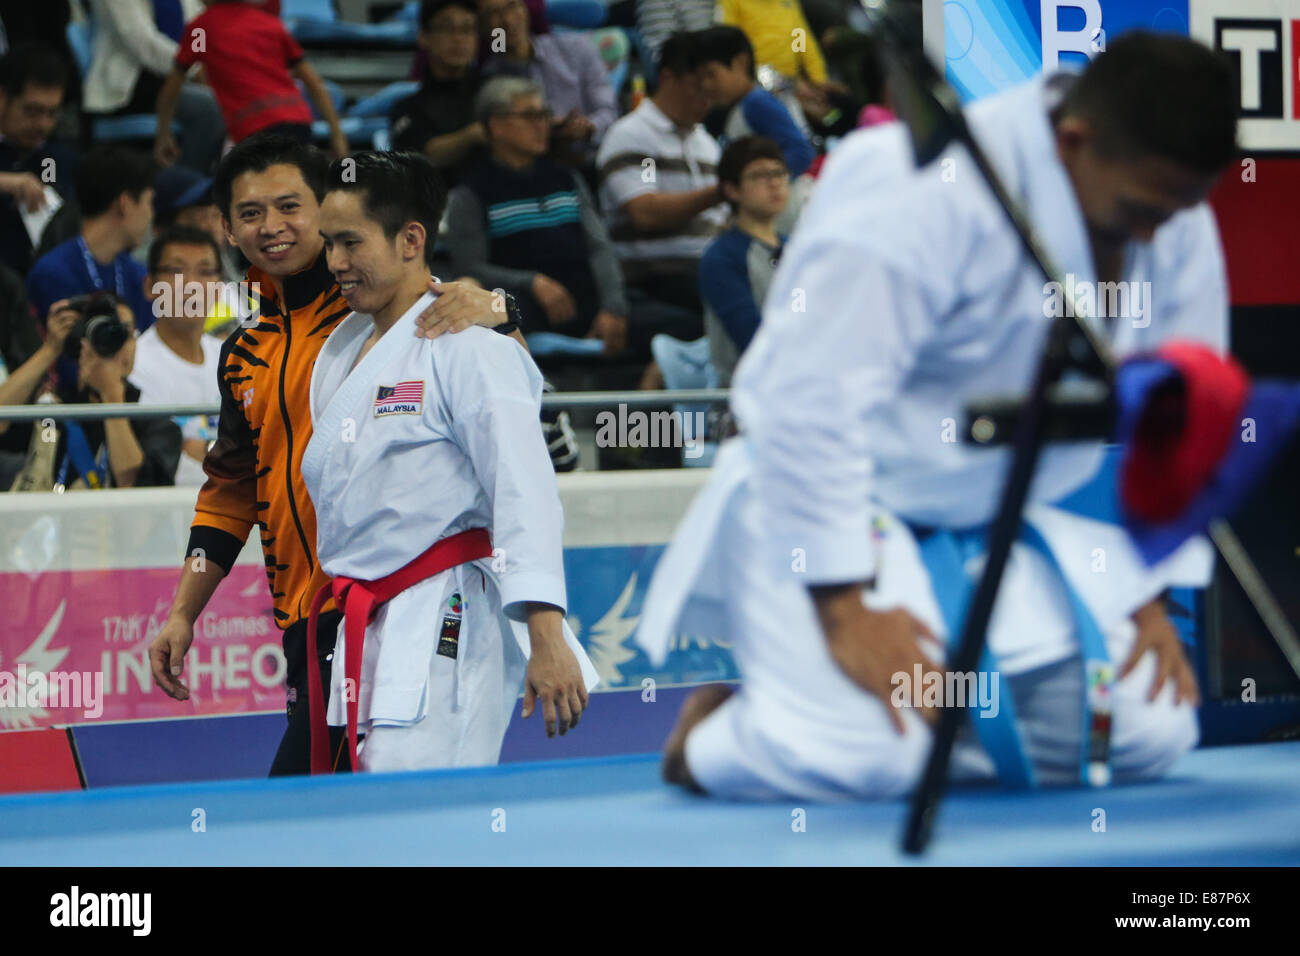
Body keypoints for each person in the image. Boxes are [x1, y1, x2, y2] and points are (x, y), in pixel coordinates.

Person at [635, 32, 1237, 801]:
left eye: (1179, 212)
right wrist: (846, 608)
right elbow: (806, 400)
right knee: (868, 760)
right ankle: (713, 736)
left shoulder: (1163, 198)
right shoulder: (916, 184)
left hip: (1000, 516)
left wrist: (1149, 596)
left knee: (1149, 732)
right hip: (836, 501)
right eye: (1142, 212)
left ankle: (922, 737)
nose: (1161, 235)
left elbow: (1179, 401)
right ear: (1076, 142)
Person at [145, 132, 525, 776]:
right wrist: (183, 611)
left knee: (309, 812)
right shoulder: (242, 351)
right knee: (343, 817)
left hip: (394, 605)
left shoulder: (385, 314)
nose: (274, 228)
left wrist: (500, 308)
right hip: (306, 618)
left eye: (291, 206)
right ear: (227, 231)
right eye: (251, 213)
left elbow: (508, 406)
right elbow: (231, 491)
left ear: (329, 210)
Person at [303, 150, 596, 772]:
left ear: (411, 239)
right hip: (367, 623)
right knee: (372, 827)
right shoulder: (344, 350)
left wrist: (545, 634)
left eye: (351, 242)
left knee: (420, 825)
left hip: (444, 617)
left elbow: (524, 491)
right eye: (328, 243)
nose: (334, 262)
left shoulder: (468, 345)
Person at [442, 78, 629, 354]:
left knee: (675, 322)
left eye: (544, 115)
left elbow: (599, 248)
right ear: (497, 126)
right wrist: (532, 281)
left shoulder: (567, 178)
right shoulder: (471, 193)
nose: (542, 125)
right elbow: (470, 268)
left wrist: (613, 307)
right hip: (523, 307)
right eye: (530, 116)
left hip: (589, 299)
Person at [596, 32, 725, 345]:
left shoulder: (707, 144)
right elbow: (645, 213)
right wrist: (722, 190)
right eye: (700, 86)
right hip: (657, 279)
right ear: (668, 78)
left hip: (709, 274)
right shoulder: (632, 135)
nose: (708, 98)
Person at [8, 295, 181, 491]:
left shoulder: (158, 426)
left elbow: (138, 498)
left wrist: (111, 395)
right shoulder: (51, 416)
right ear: (81, 340)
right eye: (102, 330)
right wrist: (50, 349)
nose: (116, 343)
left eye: (125, 332)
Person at [155, 0, 349, 164]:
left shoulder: (201, 30)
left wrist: (163, 133)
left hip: (254, 127)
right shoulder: (269, 24)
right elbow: (313, 82)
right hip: (297, 120)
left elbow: (174, 83)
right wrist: (336, 132)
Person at [26, 146, 156, 341]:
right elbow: (66, 362)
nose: (151, 214)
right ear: (125, 203)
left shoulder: (138, 275)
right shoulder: (52, 274)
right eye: (148, 202)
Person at [82, 0, 225, 174]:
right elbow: (143, 42)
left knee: (236, 95)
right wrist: (191, 67)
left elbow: (200, 25)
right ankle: (185, 186)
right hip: (131, 84)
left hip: (176, 79)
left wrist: (207, 60)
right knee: (210, 107)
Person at [130, 225, 225, 487]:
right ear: (150, 286)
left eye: (205, 272)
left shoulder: (234, 360)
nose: (192, 285)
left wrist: (201, 447)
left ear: (219, 288)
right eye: (176, 271)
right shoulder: (133, 365)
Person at [478, 0, 617, 162]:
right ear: (482, 25)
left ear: (525, 9)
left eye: (513, 5)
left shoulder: (576, 48)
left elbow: (610, 112)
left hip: (597, 157)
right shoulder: (489, 79)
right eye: (494, 13)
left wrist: (588, 127)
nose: (508, 20)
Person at [698, 136, 788, 387]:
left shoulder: (797, 250)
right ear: (732, 190)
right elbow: (753, 338)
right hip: (744, 401)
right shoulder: (721, 259)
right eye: (759, 176)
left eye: (779, 173)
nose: (775, 183)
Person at [693, 26, 816, 177]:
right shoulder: (741, 106)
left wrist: (764, 182)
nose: (705, 84)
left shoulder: (757, 103)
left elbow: (800, 152)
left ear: (741, 63)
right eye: (700, 78)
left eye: (711, 74)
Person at [390, 0, 486, 190]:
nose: (458, 38)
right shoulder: (407, 107)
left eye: (467, 29)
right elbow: (420, 158)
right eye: (446, 28)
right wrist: (472, 136)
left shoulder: (493, 92)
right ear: (424, 37)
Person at [0, 44, 75, 277]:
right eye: (32, 111)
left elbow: (51, 186)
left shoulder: (48, 160)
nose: (43, 125)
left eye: (52, 114)